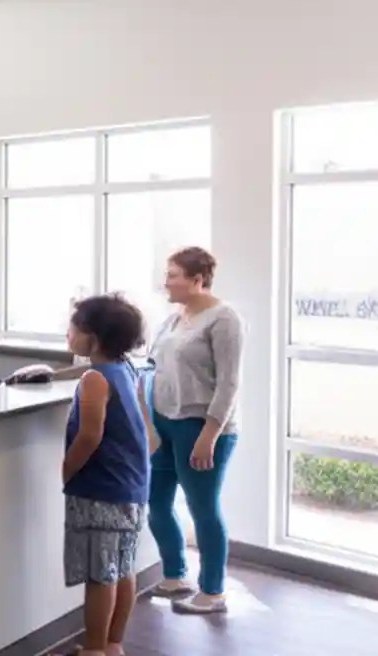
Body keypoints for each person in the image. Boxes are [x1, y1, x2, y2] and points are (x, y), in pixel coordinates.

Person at [144, 246, 243, 615]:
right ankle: (175, 575)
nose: (165, 283)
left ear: (198, 280)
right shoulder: (173, 319)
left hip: (202, 426)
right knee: (156, 502)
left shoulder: (224, 319)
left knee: (203, 509)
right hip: (164, 422)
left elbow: (229, 383)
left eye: (172, 275)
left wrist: (209, 435)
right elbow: (151, 367)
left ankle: (213, 592)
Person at [55, 295, 152, 656]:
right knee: (123, 568)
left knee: (100, 574)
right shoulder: (125, 368)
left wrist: (67, 468)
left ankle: (94, 648)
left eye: (73, 328)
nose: (68, 334)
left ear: (93, 339)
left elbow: (90, 435)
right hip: (131, 487)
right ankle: (113, 643)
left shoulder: (95, 379)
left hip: (101, 489)